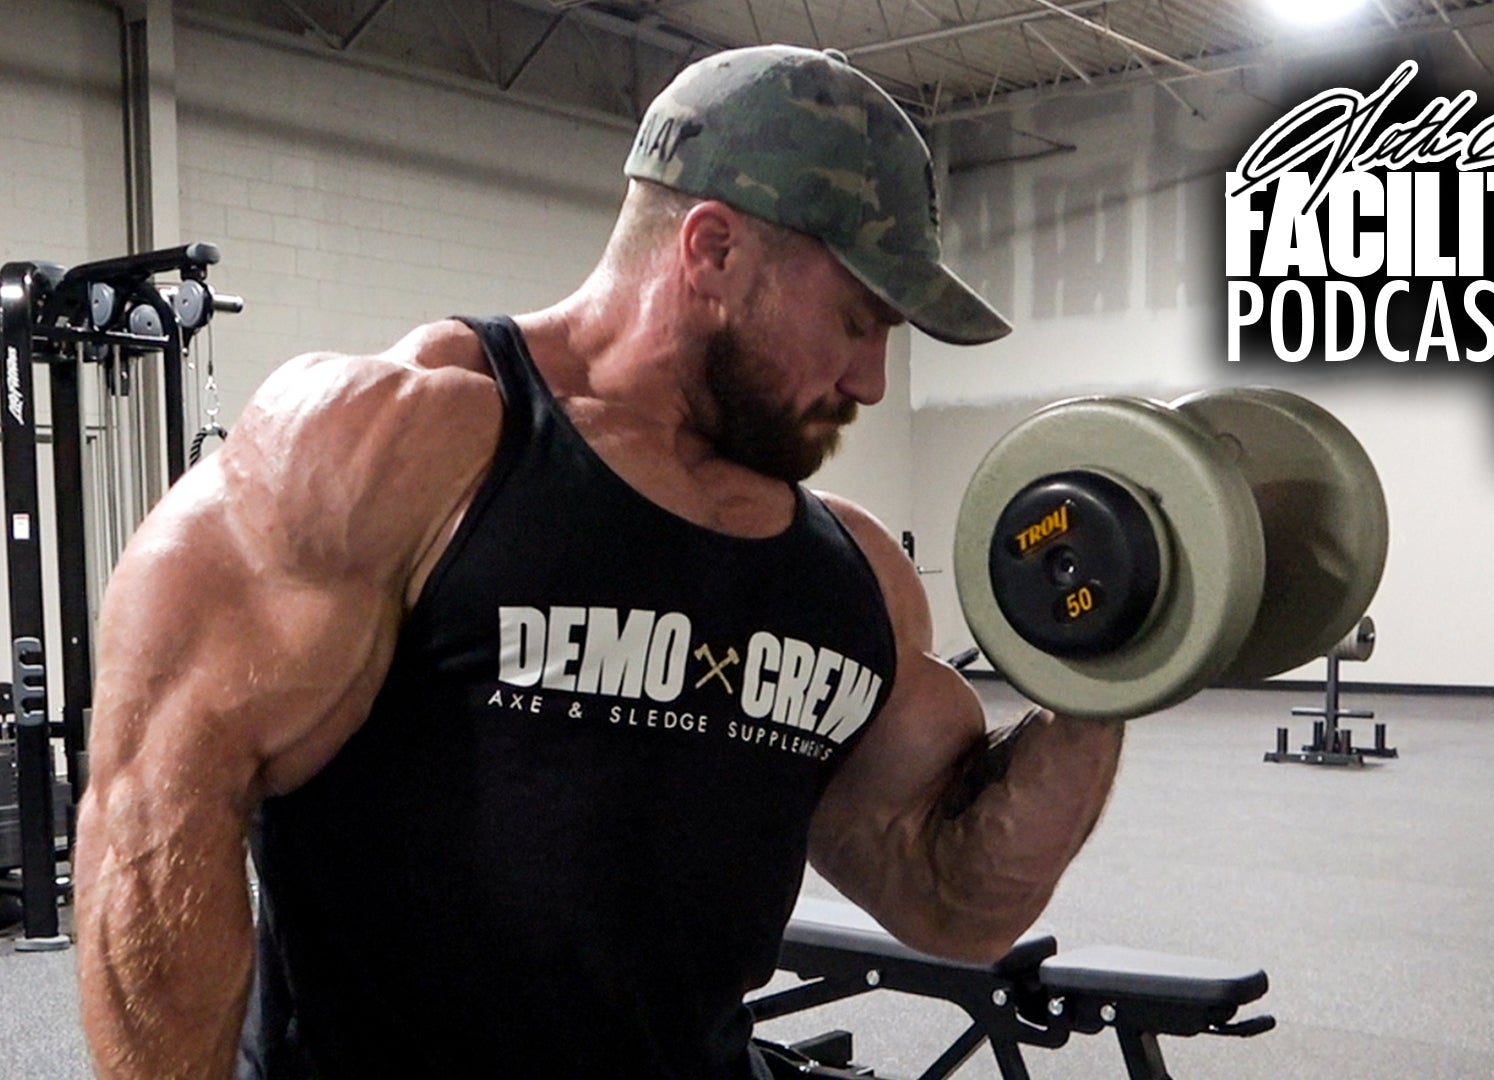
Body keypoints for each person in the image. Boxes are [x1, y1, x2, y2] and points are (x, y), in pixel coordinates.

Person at [74, 45, 1124, 1080]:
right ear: (713, 250)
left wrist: (1113, 664)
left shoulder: (851, 579)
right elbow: (156, 811)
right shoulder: (400, 446)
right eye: (856, 322)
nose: (871, 381)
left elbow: (952, 895)